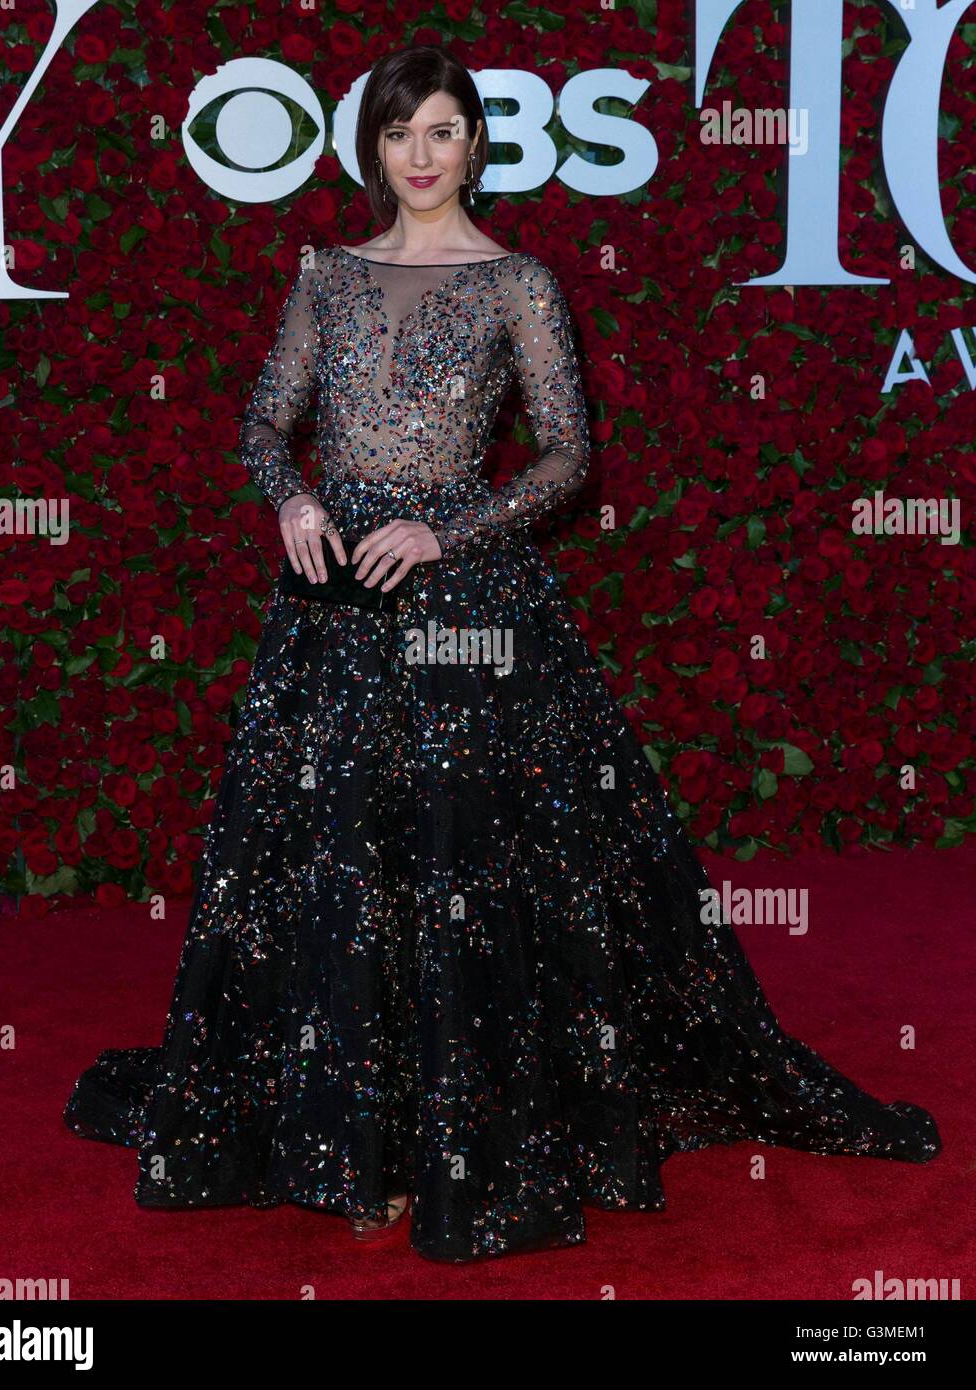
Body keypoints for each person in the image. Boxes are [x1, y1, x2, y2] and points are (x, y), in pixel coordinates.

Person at [64, 44, 940, 1264]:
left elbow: (567, 458)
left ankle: (456, 1139)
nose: (419, 158)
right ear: (370, 150)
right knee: (338, 878)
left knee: (463, 871)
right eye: (396, 135)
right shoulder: (323, 273)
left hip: (469, 612)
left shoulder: (520, 285)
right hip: (331, 609)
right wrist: (294, 500)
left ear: (474, 143)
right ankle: (349, 1150)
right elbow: (267, 415)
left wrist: (443, 526)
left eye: (440, 132)